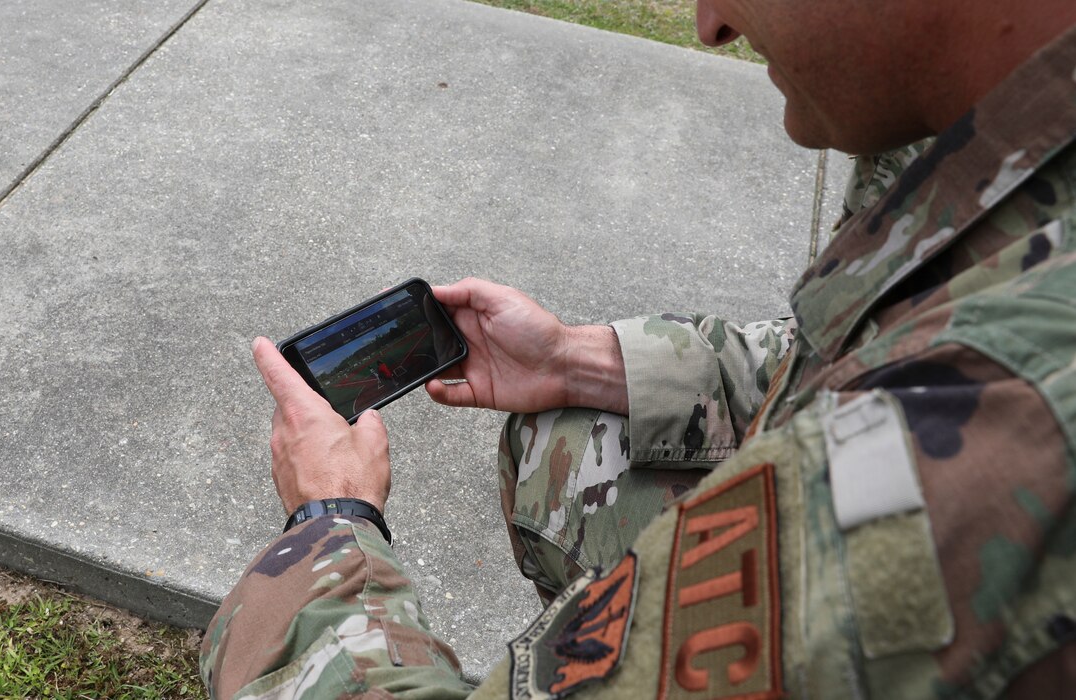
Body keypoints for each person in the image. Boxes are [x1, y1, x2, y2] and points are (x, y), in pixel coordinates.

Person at [200, 0, 1076, 697]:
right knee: (573, 440)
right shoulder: (1002, 145)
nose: (711, 24)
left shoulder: (969, 441)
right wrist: (580, 359)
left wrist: (327, 527)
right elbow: (828, 356)